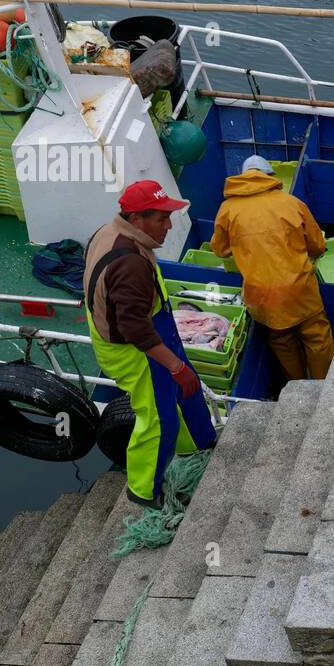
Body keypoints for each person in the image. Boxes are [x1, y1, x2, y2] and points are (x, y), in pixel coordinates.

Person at [84, 179, 217, 507]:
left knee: (187, 392)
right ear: (137, 219)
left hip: (153, 328)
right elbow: (135, 331)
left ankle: (198, 445)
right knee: (158, 419)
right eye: (162, 218)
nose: (170, 226)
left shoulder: (108, 231)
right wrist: (175, 365)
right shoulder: (130, 264)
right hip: (135, 349)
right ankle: (144, 491)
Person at [211, 155, 334, 381]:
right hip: (299, 289)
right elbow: (317, 245)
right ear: (269, 176)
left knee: (281, 340)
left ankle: (297, 388)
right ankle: (324, 386)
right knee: (317, 337)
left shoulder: (227, 209)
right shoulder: (290, 202)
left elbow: (219, 250)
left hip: (261, 295)